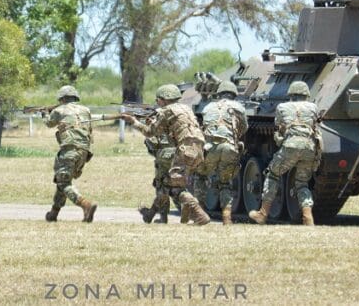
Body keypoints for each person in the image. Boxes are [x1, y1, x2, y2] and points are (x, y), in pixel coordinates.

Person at [122, 84, 211, 225]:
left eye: (158, 100)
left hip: (186, 149)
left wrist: (134, 122)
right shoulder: (185, 108)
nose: (157, 103)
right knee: (168, 183)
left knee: (174, 187)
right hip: (199, 148)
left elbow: (149, 132)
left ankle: (200, 215)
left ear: (163, 99)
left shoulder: (166, 111)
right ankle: (152, 214)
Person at [248, 81, 322, 226]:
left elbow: (279, 127)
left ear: (291, 94)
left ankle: (262, 214)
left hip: (291, 145)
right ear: (306, 94)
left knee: (273, 174)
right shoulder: (313, 107)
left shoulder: (282, 107)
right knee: (302, 183)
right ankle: (308, 217)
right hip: (309, 147)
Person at [193, 80, 248, 225]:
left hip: (211, 147)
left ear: (219, 93)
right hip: (229, 148)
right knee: (225, 182)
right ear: (234, 94)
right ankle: (227, 218)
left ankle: (200, 214)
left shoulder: (208, 107)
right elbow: (244, 128)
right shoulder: (239, 107)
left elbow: (203, 125)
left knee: (201, 176)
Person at [43, 85, 97, 223]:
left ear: (62, 98)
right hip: (84, 152)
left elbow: (49, 123)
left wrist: (44, 113)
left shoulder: (59, 110)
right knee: (63, 180)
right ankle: (54, 213)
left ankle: (86, 205)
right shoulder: (86, 110)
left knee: (63, 182)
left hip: (69, 150)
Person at [139, 119, 176, 224]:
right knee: (171, 187)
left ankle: (152, 214)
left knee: (161, 187)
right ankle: (158, 217)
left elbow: (153, 144)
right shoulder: (176, 122)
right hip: (177, 156)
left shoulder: (157, 124)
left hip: (164, 156)